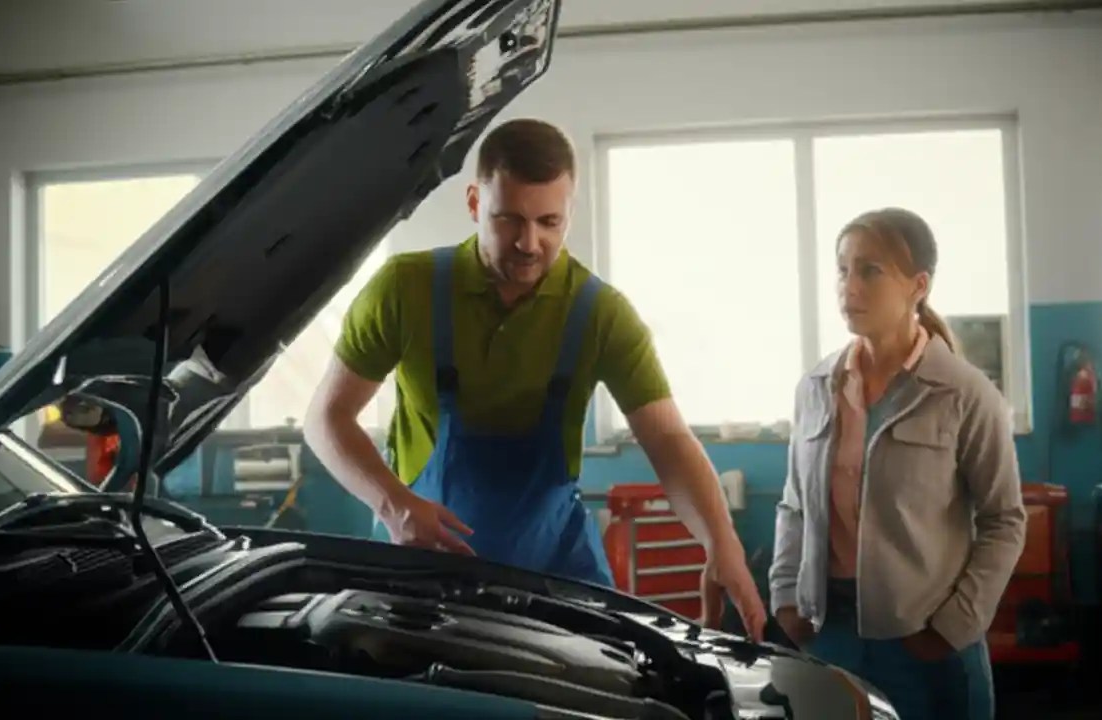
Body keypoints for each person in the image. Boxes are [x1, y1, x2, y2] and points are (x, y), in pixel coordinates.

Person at [304, 117, 766, 640]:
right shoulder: (403, 290)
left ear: (570, 212)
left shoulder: (600, 314)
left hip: (557, 567)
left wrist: (720, 541)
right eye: (509, 220)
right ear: (476, 203)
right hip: (423, 565)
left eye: (550, 222)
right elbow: (326, 418)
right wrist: (392, 503)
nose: (530, 242)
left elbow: (667, 437)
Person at [767, 208, 1026, 720]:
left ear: (918, 285)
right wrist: (785, 598)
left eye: (870, 271)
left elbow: (1004, 520)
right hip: (829, 632)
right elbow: (795, 504)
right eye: (843, 270)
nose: (849, 286)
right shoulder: (816, 387)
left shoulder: (964, 393)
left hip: (925, 639)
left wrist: (953, 625)